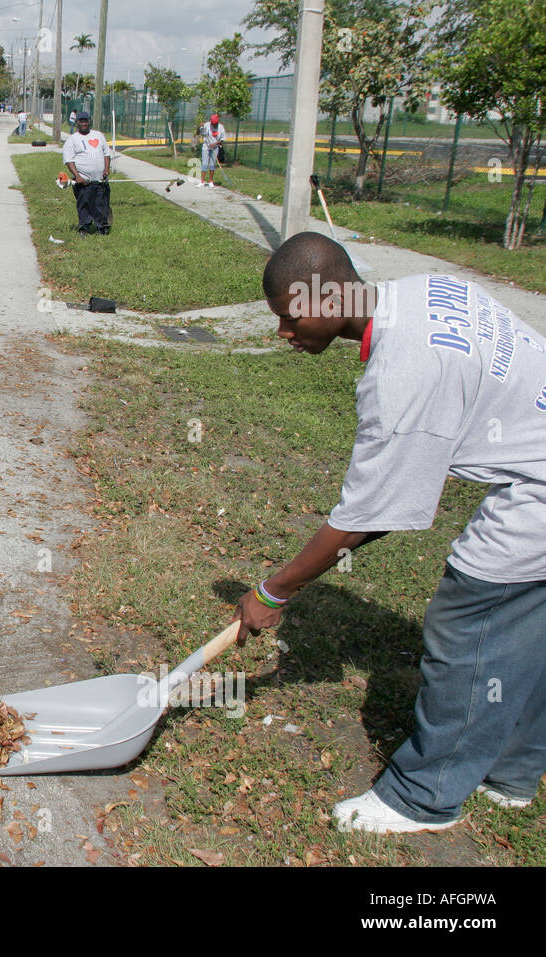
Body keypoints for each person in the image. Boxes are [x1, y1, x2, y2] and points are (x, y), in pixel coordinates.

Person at [234, 231, 546, 832]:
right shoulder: (420, 292)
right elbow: (386, 508)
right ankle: (511, 774)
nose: (282, 333)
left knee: (472, 619)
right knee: (526, 626)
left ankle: (424, 797)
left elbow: (364, 517)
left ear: (326, 300)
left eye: (287, 316)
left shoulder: (404, 371)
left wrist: (273, 592)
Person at [62, 111, 111, 235]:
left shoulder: (99, 135)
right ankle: (84, 227)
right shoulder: (73, 139)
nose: (84, 123)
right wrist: (77, 176)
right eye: (81, 121)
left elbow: (106, 153)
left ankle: (102, 227)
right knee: (85, 204)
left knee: (102, 204)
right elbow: (69, 160)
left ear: (89, 122)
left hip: (100, 180)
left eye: (86, 121)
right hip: (83, 181)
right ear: (77, 123)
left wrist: (106, 169)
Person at [197, 113, 226, 188]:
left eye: (215, 124)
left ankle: (210, 181)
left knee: (212, 164)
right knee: (204, 163)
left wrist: (215, 144)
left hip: (215, 147)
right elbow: (199, 133)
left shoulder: (221, 127)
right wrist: (199, 126)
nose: (214, 126)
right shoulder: (206, 125)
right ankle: (202, 182)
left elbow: (222, 139)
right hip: (206, 146)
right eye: (213, 124)